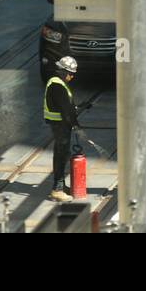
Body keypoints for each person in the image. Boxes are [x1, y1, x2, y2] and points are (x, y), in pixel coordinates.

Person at [44, 55, 81, 201]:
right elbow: (66, 111)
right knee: (60, 156)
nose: (72, 77)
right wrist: (76, 125)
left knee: (61, 155)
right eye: (70, 73)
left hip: (60, 124)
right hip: (60, 125)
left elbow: (66, 106)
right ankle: (57, 189)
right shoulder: (57, 85)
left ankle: (60, 185)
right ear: (63, 71)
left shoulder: (57, 82)